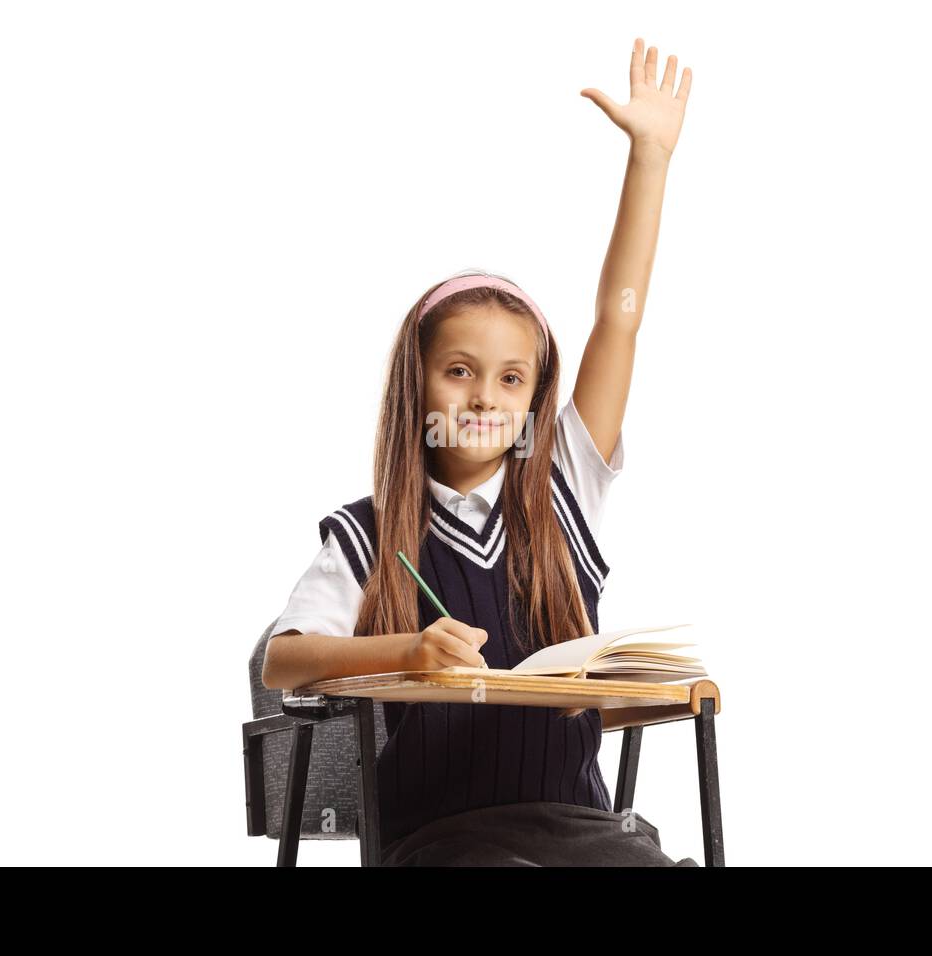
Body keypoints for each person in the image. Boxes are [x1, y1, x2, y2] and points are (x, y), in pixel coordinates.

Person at [261, 38, 696, 866]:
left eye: (510, 378)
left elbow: (620, 321)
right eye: (458, 371)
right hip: (441, 840)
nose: (484, 397)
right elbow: (283, 661)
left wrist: (650, 159)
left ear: (536, 398)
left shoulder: (568, 489)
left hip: (582, 831)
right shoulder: (367, 535)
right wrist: (408, 651)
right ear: (415, 386)